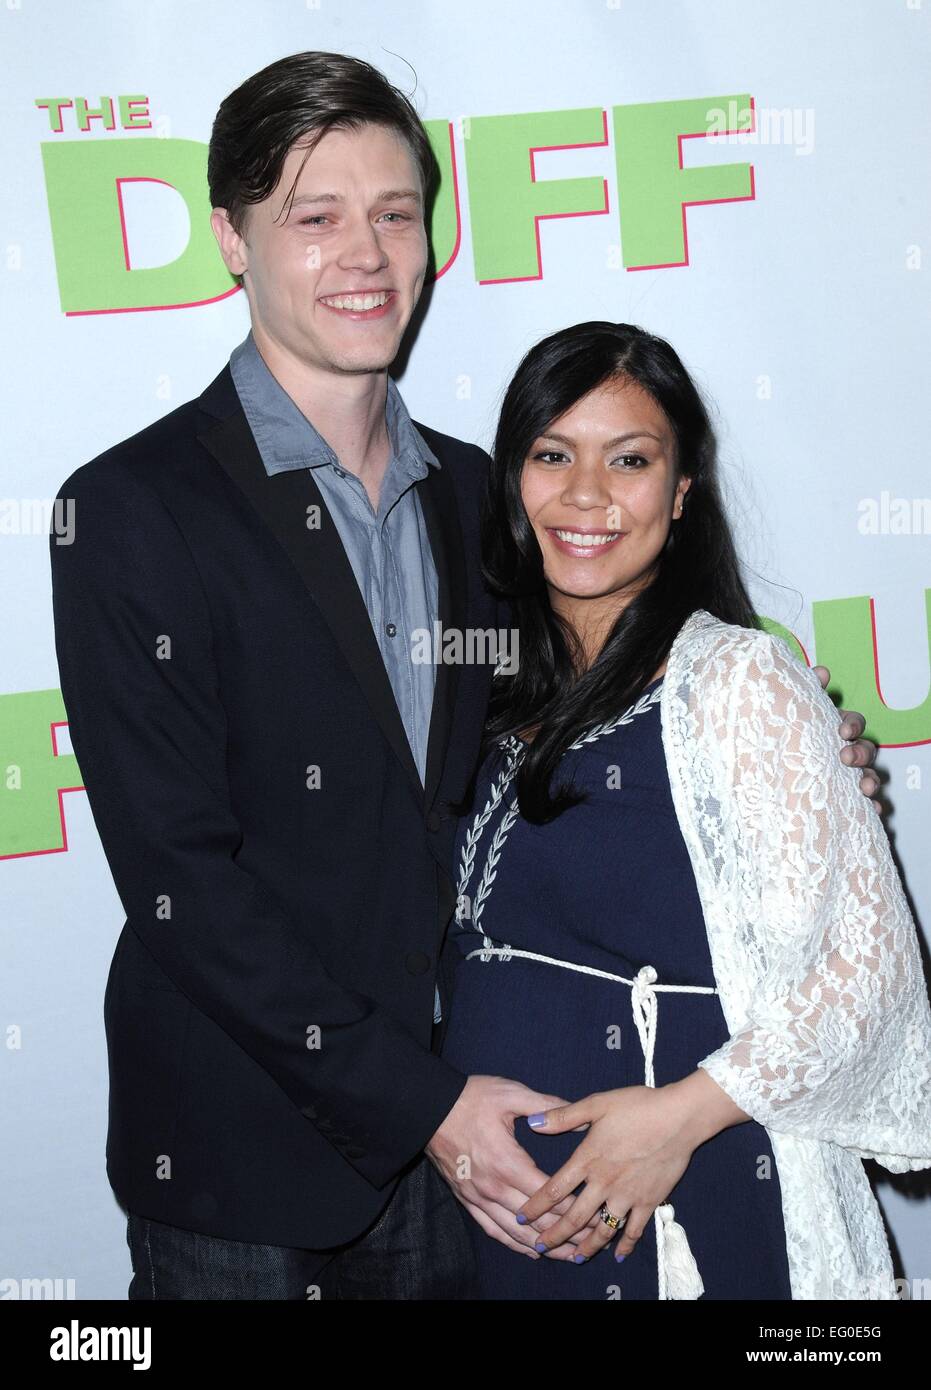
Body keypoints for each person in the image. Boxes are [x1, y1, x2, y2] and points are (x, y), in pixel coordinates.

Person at [48, 51, 880, 1300]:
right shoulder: (129, 510)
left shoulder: (487, 497)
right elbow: (182, 882)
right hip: (250, 1157)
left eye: (394, 213)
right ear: (230, 238)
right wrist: (425, 1103)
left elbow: (567, 720)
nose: (366, 254)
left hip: (482, 1159)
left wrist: (799, 760)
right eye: (313, 217)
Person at [435, 320, 931, 1300]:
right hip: (506, 1233)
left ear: (680, 491)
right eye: (551, 454)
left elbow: (869, 975)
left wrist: (676, 1117)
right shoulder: (482, 689)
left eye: (629, 459)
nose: (583, 494)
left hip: (691, 1209)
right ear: (512, 479)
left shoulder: (739, 679)